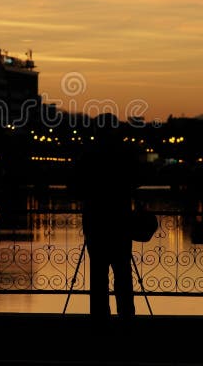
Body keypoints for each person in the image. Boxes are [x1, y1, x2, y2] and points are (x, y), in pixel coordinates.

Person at [70, 126, 140, 322]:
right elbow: (137, 180)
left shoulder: (88, 157)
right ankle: (126, 315)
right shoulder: (123, 156)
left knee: (98, 275)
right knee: (123, 273)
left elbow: (75, 188)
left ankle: (100, 317)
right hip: (120, 224)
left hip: (96, 223)